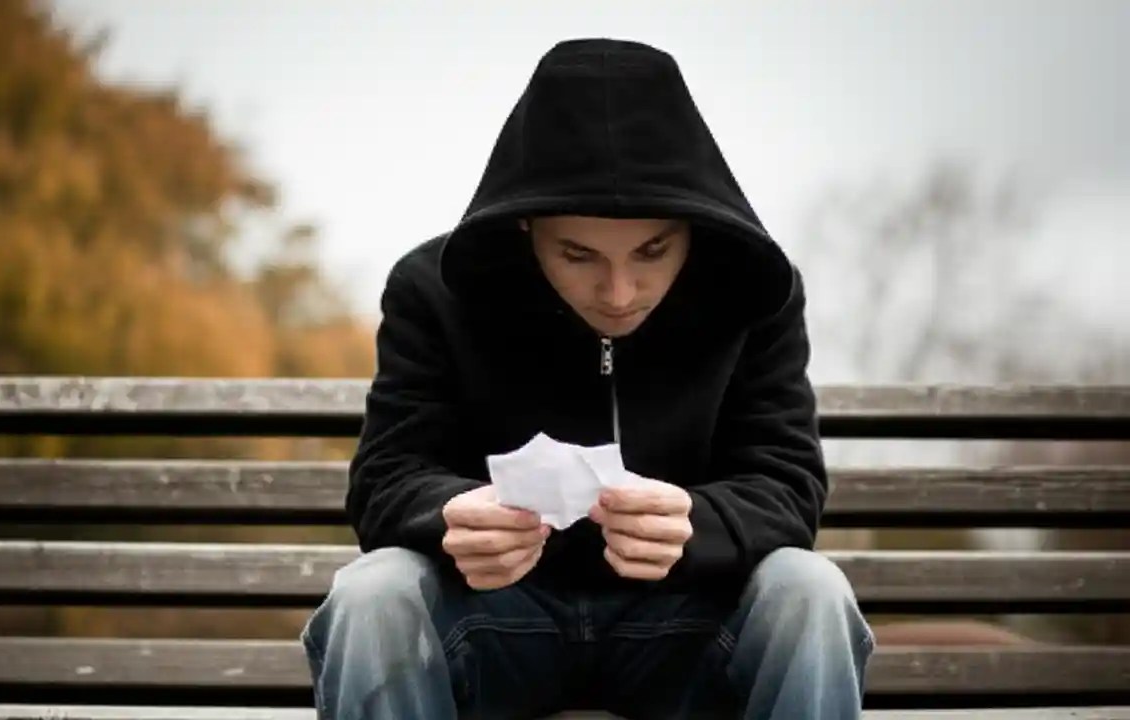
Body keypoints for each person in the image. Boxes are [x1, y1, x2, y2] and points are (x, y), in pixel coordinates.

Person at [301, 37, 874, 720]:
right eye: (578, 255)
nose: (620, 292)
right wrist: (450, 513)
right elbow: (386, 477)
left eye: (653, 251)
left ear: (691, 228)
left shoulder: (753, 293)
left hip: (688, 627)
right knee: (373, 592)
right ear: (525, 225)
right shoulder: (432, 290)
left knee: (809, 589)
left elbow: (787, 482)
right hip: (491, 622)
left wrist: (699, 526)